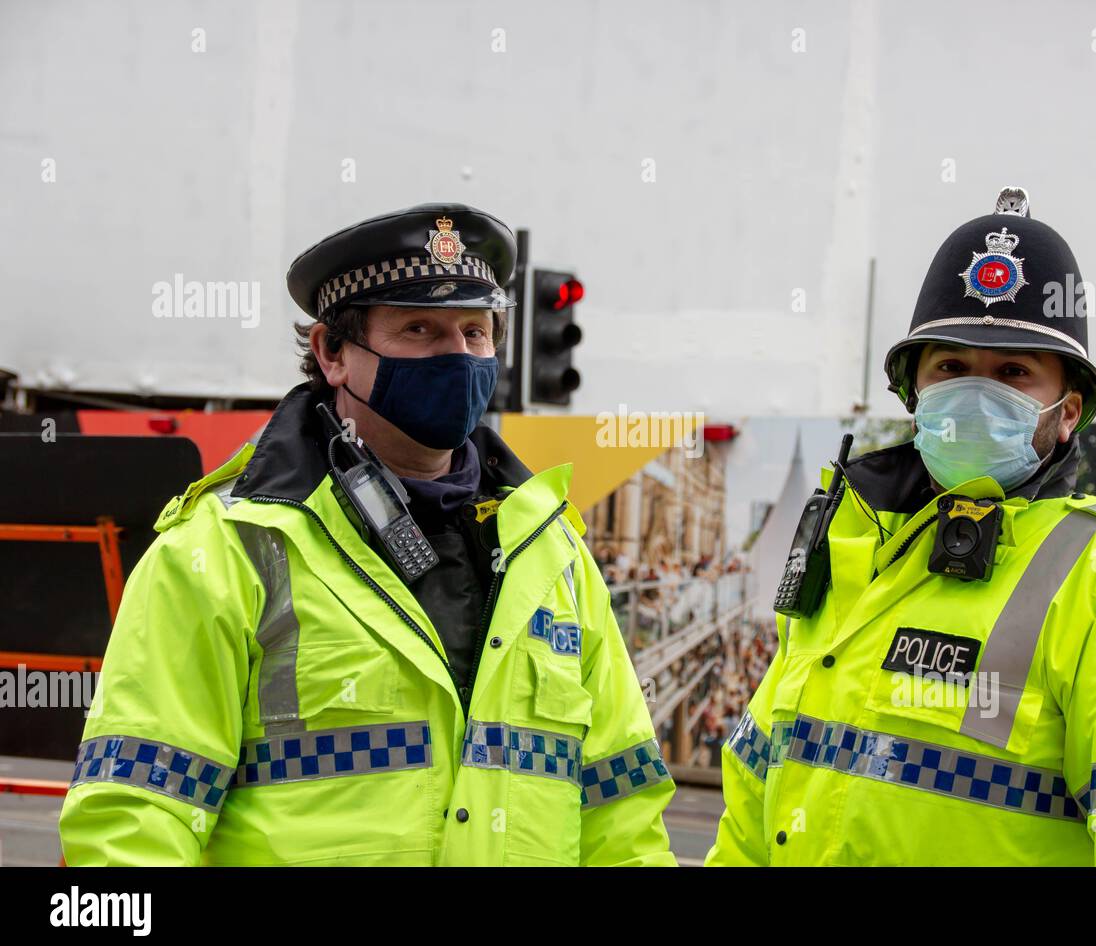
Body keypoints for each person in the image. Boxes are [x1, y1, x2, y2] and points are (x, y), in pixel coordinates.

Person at [59, 203, 675, 866]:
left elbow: (622, 815)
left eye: (476, 331)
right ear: (332, 352)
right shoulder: (228, 547)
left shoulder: (553, 554)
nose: (458, 356)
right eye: (420, 329)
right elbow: (134, 817)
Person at [706, 188, 1096, 866]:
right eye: (952, 368)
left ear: (1068, 411)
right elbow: (754, 800)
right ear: (914, 392)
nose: (976, 392)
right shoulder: (844, 549)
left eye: (1013, 373)